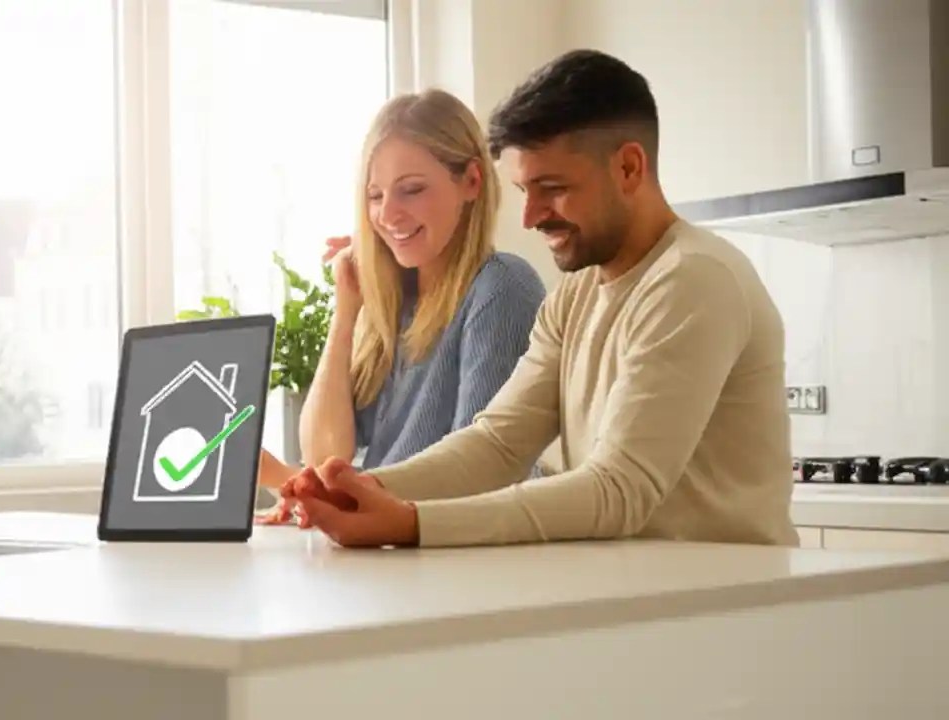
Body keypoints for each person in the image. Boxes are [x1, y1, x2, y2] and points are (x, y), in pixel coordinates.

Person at [280, 49, 798, 549]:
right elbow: (498, 444)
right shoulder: (575, 296)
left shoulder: (692, 279)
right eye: (526, 191)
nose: (530, 217)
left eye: (552, 187)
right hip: (642, 601)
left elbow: (619, 490)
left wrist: (411, 522)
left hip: (728, 609)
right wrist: (360, 491)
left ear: (629, 169)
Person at [256, 88, 547, 523]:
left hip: (469, 562)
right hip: (394, 555)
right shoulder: (394, 305)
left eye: (411, 190)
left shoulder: (502, 288)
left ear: (471, 182)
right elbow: (324, 455)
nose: (388, 215)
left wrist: (285, 478)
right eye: (375, 196)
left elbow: (479, 474)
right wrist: (347, 309)